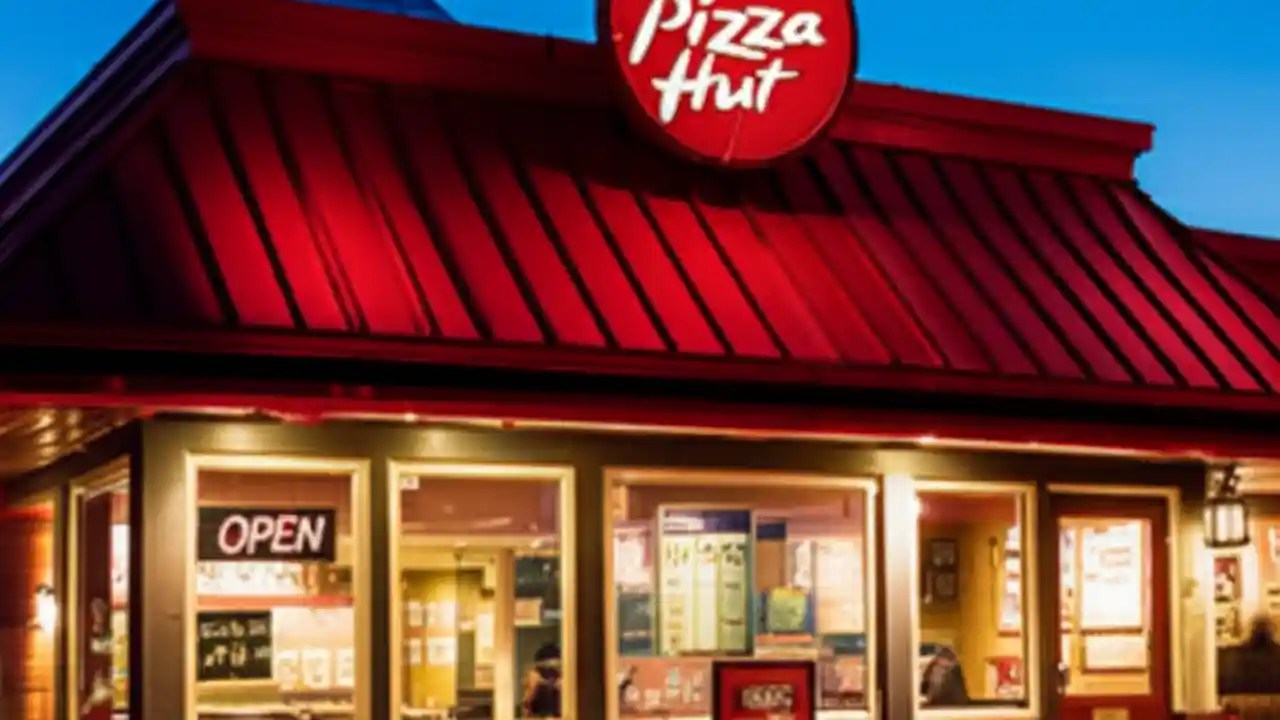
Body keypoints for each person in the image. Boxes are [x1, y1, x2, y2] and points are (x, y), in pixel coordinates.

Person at [522, 642, 561, 718]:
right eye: (545, 668)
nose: (550, 673)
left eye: (555, 667)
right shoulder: (536, 686)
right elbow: (526, 713)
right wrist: (531, 690)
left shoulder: (566, 687)